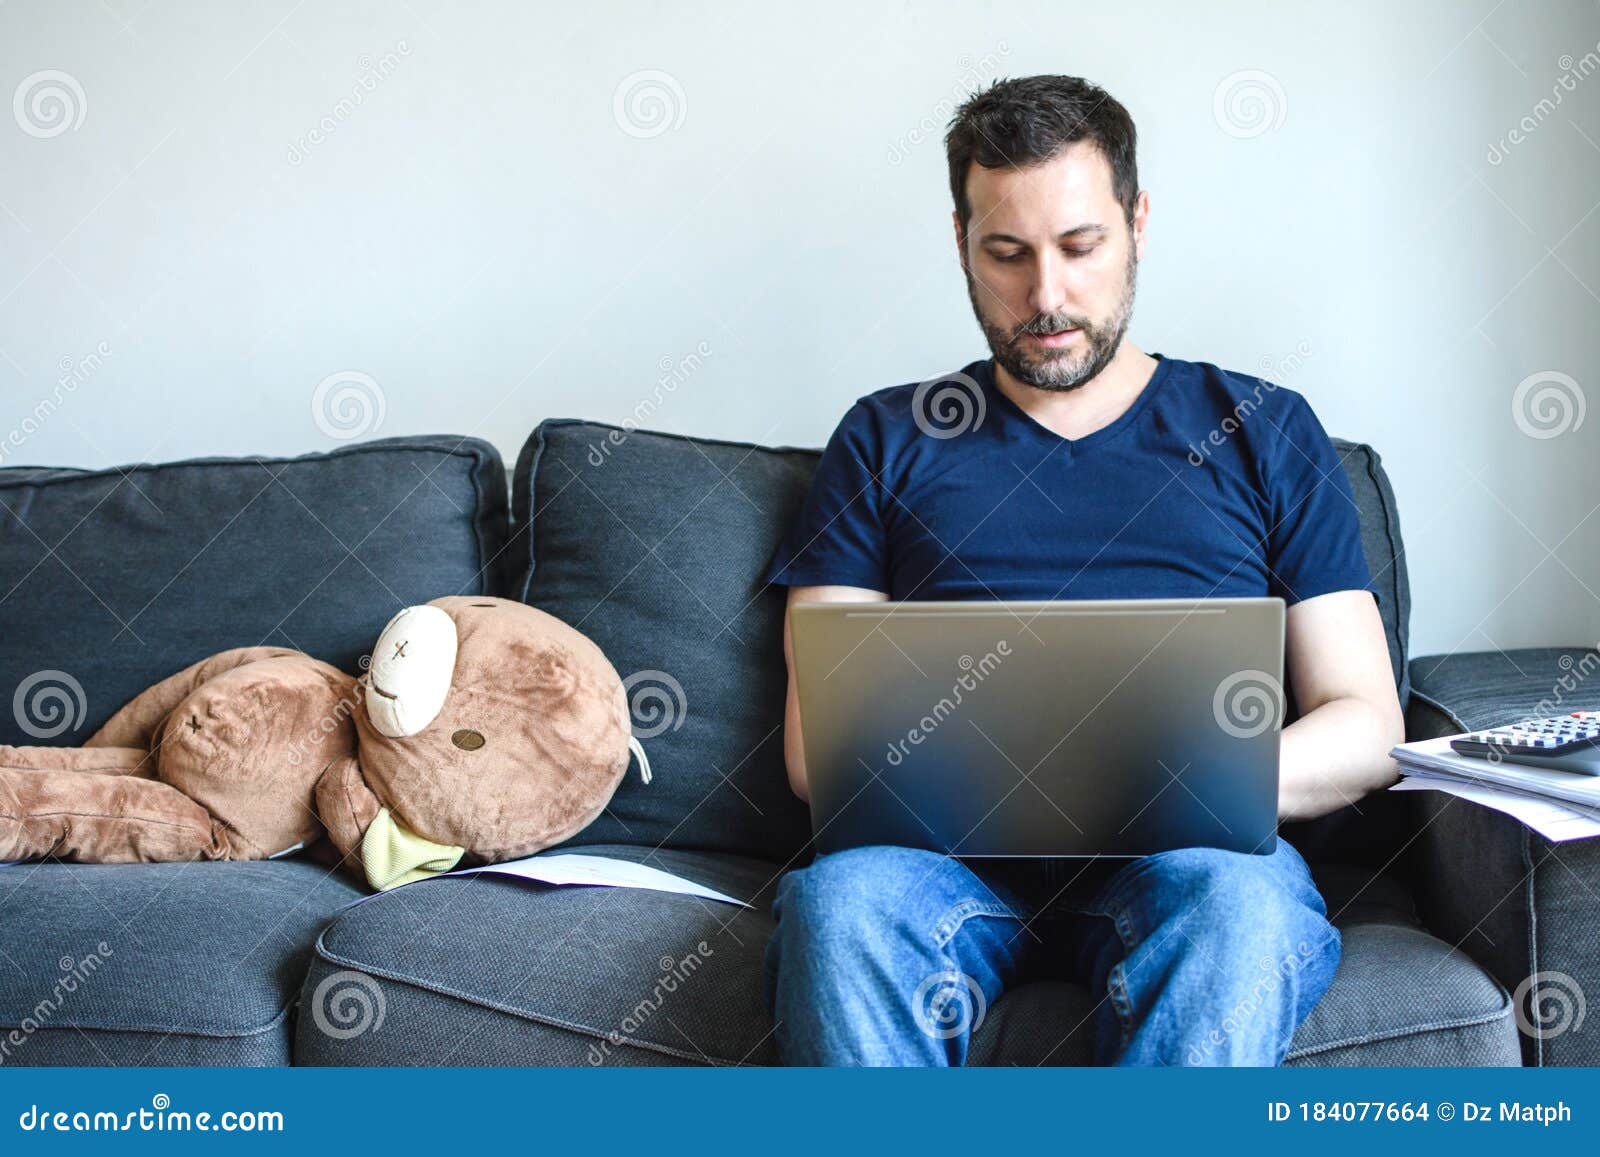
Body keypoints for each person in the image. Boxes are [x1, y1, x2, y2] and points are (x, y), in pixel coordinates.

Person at [760, 75, 1405, 1066]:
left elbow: (1367, 724)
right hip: (939, 875)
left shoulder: (1262, 428)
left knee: (1237, 905)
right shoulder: (885, 436)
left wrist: (1192, 780)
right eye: (1005, 253)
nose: (1046, 296)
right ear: (961, 243)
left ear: (1137, 223)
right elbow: (819, 755)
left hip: (1188, 868)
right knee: (840, 905)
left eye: (1079, 245)